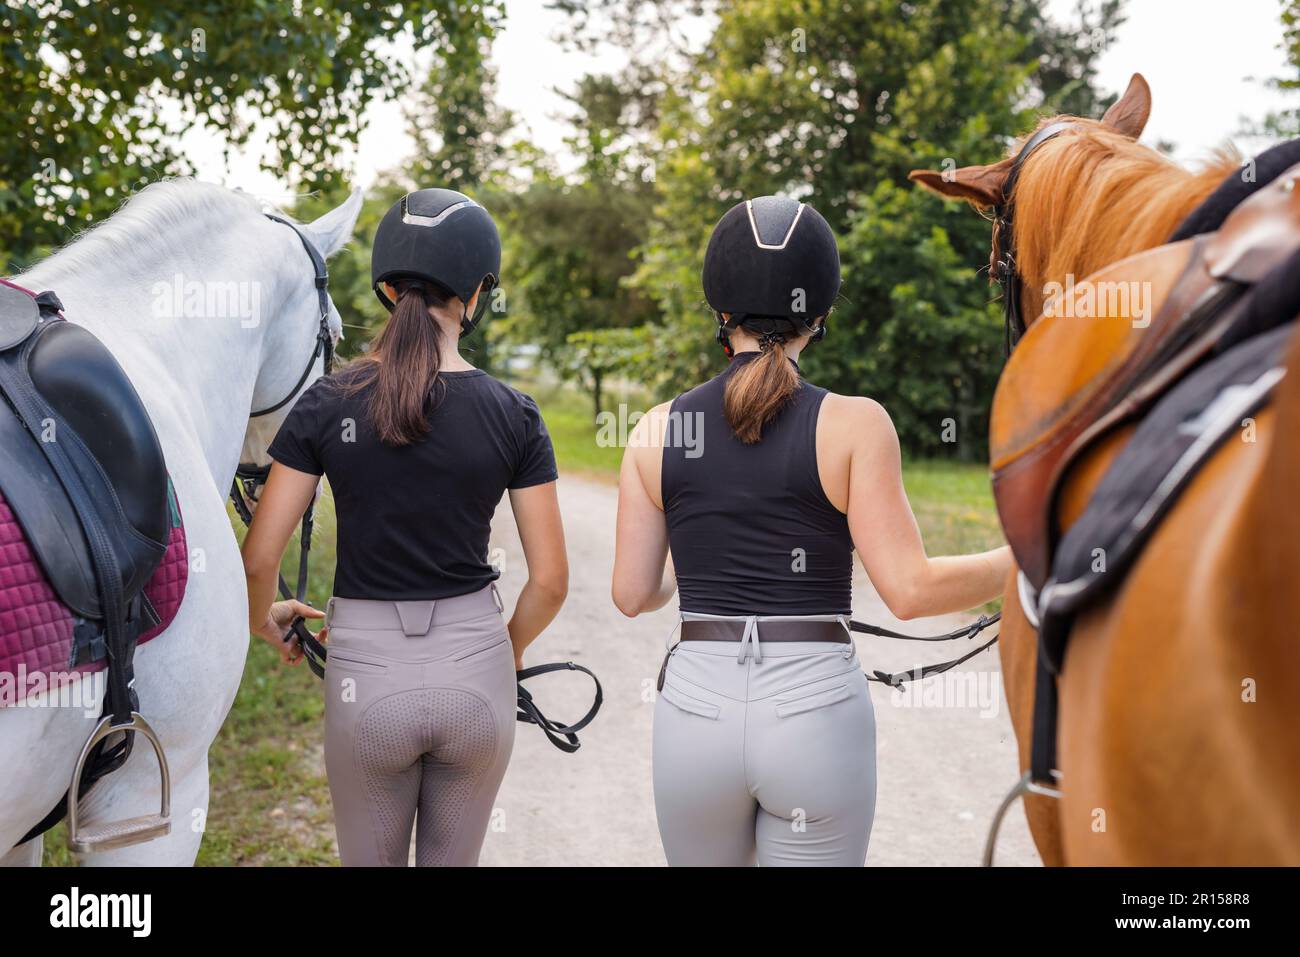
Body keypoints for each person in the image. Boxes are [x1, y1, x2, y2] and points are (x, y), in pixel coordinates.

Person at [612, 195, 1011, 866]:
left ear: (720, 309)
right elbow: (911, 591)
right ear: (818, 314)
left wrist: (689, 564)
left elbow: (631, 593)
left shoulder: (657, 428)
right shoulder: (856, 424)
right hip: (815, 712)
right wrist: (1025, 557)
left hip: (696, 714)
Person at [241, 188, 568, 866]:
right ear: (476, 294)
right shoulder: (516, 413)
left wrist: (264, 619)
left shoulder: (329, 402)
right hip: (476, 674)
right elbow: (552, 581)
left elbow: (258, 556)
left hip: (367, 679)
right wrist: (501, 654)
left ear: (387, 286)